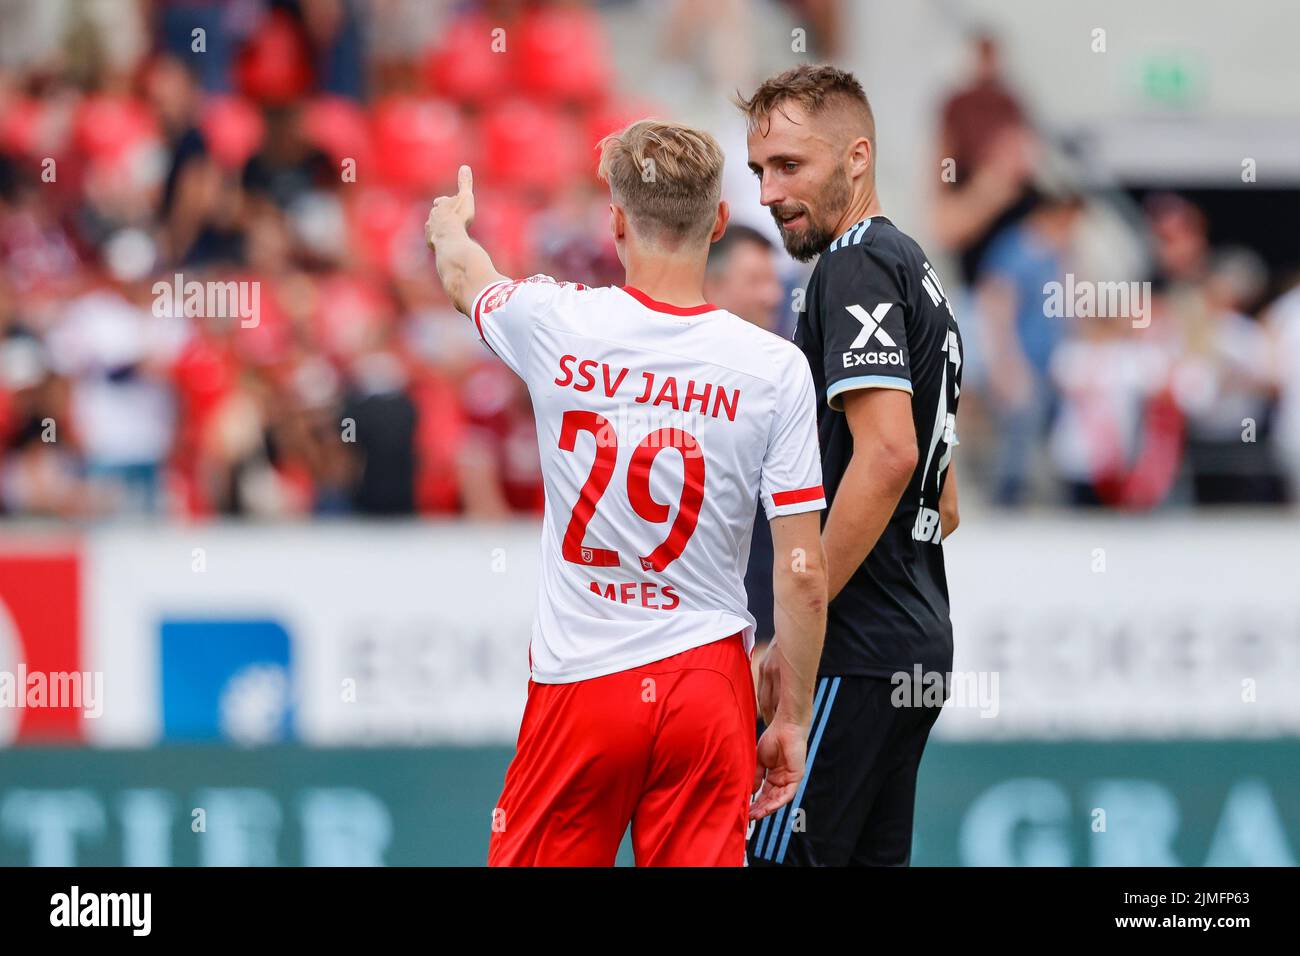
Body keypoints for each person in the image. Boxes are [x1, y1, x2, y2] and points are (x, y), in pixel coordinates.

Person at [425, 120, 828, 867]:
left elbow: (464, 277)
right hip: (709, 683)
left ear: (616, 220)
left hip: (583, 680)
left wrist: (448, 225)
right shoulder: (775, 368)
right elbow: (802, 572)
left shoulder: (557, 322)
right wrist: (793, 716)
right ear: (716, 222)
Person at [740, 64, 962, 866]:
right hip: (916, 642)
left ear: (858, 157)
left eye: (790, 166)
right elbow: (948, 495)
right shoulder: (917, 270)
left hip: (855, 648)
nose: (768, 192)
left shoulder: (854, 264)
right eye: (760, 169)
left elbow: (892, 454)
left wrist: (799, 622)